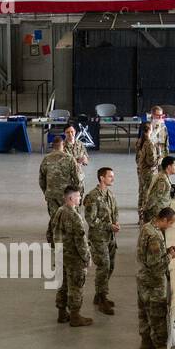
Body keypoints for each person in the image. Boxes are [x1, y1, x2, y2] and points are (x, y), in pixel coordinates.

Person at [136, 207, 175, 349]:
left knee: (143, 310)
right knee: (158, 313)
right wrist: (170, 257)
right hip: (153, 281)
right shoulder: (155, 236)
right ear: (164, 220)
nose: (170, 227)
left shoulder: (147, 227)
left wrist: (166, 251)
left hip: (142, 277)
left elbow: (150, 254)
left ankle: (146, 341)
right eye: (170, 223)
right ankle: (162, 346)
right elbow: (156, 266)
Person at [47, 185, 93, 327]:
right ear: (71, 198)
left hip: (61, 256)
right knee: (76, 286)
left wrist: (57, 248)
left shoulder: (58, 212)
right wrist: (86, 257)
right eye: (78, 196)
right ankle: (75, 316)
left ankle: (62, 313)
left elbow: (49, 233)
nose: (80, 198)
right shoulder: (75, 216)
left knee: (63, 285)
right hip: (74, 258)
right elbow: (81, 240)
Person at [83, 168, 119, 315]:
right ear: (101, 178)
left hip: (110, 236)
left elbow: (115, 211)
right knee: (104, 266)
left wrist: (116, 223)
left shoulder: (109, 194)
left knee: (111, 266)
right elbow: (90, 219)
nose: (112, 179)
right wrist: (108, 226)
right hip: (98, 237)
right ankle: (102, 298)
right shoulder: (92, 196)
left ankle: (99, 295)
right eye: (110, 176)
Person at [39, 137, 82, 223]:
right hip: (66, 195)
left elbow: (41, 179)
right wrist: (77, 194)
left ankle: (55, 234)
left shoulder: (46, 159)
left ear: (53, 146)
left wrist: (46, 191)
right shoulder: (70, 158)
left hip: (51, 194)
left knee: (54, 218)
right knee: (68, 219)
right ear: (63, 145)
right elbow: (77, 178)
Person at [134, 122, 157, 210]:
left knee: (141, 192)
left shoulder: (139, 141)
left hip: (141, 170)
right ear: (150, 130)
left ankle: (141, 214)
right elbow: (151, 161)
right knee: (147, 194)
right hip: (148, 172)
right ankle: (145, 215)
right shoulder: (149, 143)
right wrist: (158, 160)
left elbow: (137, 158)